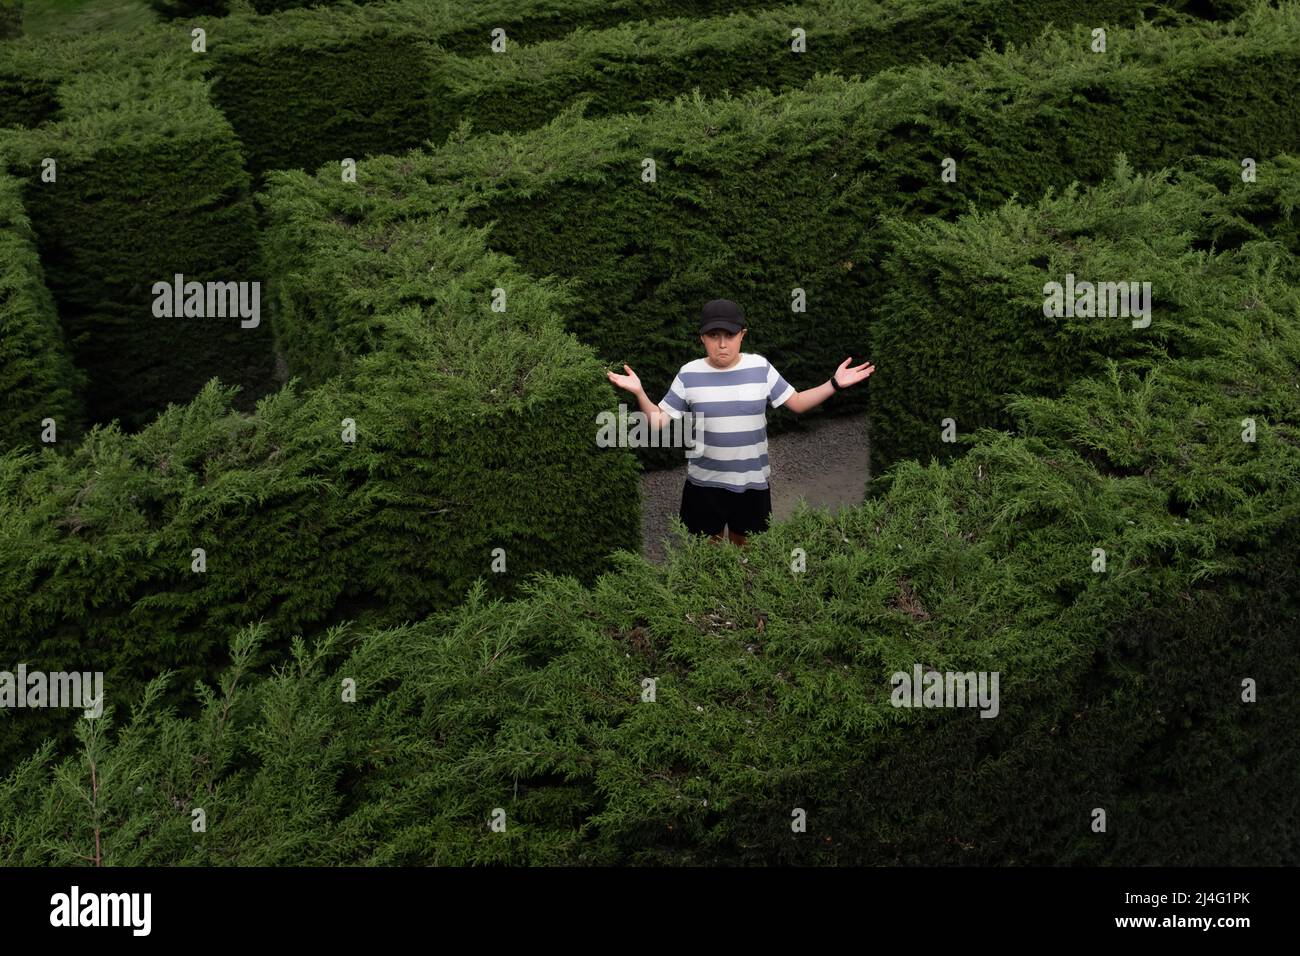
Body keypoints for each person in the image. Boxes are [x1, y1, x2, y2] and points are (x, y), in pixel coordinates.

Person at [605, 298, 875, 547]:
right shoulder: (688, 373)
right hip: (703, 486)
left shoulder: (760, 367)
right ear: (702, 338)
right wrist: (640, 392)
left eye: (730, 335)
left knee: (746, 557)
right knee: (707, 559)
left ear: (742, 335)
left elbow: (798, 402)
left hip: (751, 484)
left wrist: (834, 384)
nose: (722, 344)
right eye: (713, 335)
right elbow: (658, 423)